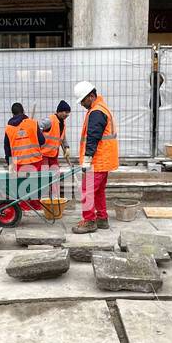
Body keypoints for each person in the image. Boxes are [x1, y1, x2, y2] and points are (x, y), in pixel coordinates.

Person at [71, 81, 118, 233]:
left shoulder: (96, 112)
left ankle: (90, 221)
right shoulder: (101, 108)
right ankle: (102, 219)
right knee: (98, 191)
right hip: (103, 160)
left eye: (83, 101)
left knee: (87, 191)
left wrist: (87, 159)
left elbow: (93, 137)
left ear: (91, 96)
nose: (82, 104)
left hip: (97, 160)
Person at [4, 101, 44, 211]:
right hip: (35, 159)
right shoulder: (33, 123)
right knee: (35, 184)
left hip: (18, 162)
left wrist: (9, 163)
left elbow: (7, 148)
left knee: (22, 185)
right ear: (23, 111)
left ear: (12, 114)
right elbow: (42, 140)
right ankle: (36, 206)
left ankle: (25, 207)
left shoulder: (8, 128)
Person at [36, 100, 72, 198]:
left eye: (68, 112)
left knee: (55, 175)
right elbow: (37, 127)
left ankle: (55, 197)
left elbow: (62, 137)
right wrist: (40, 139)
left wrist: (67, 147)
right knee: (45, 176)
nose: (67, 114)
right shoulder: (50, 120)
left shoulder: (62, 123)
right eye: (65, 112)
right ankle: (44, 198)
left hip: (53, 154)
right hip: (43, 154)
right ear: (59, 111)